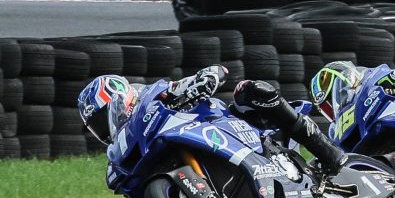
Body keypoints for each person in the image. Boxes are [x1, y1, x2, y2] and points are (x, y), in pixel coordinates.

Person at [81, 65, 348, 178]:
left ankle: (327, 152)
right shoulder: (123, 152)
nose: (104, 129)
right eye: (97, 128)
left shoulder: (157, 95)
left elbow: (213, 72)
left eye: (103, 119)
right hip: (197, 151)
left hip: (234, 127)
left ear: (119, 100)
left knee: (250, 91)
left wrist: (206, 79)